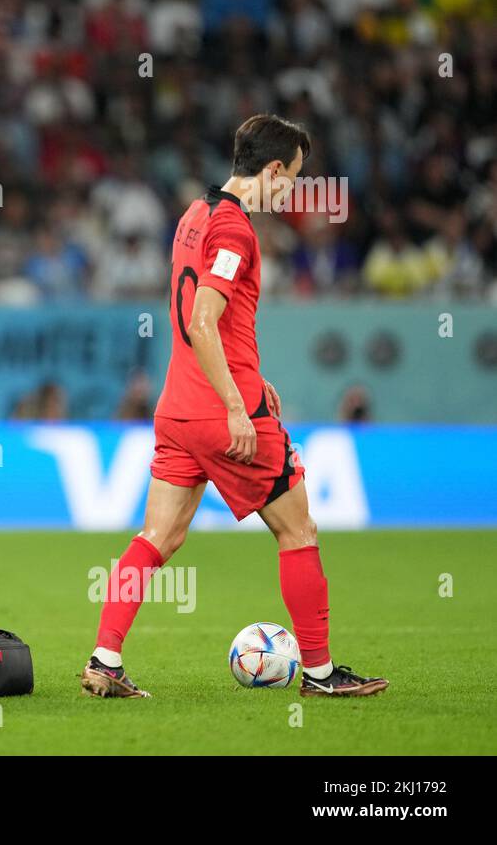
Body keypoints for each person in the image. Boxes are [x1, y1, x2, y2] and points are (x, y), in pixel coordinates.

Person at [81, 114, 388, 699]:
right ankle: (320, 676)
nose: (293, 191)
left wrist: (252, 374)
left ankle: (105, 659)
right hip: (225, 414)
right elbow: (204, 321)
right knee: (299, 532)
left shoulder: (194, 216)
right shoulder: (236, 230)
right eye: (293, 178)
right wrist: (236, 405)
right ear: (272, 170)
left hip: (176, 410)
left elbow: (207, 317)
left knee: (157, 537)